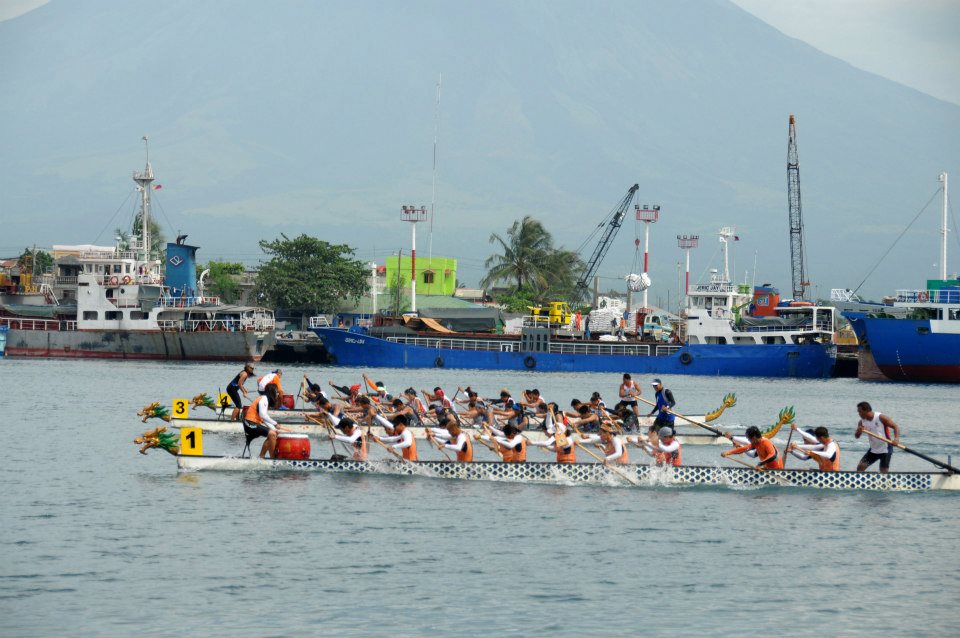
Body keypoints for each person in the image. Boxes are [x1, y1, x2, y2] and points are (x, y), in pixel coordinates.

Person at [242, 385, 291, 459]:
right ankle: (272, 458)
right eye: (276, 392)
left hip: (254, 424)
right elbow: (263, 415)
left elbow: (263, 419)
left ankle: (261, 457)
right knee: (272, 434)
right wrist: (276, 424)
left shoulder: (265, 399)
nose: (277, 394)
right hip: (250, 424)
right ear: (272, 392)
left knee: (272, 434)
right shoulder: (264, 399)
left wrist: (274, 429)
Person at [855, 401, 900, 473]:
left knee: (883, 472)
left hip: (885, 449)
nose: (859, 414)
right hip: (873, 449)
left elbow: (895, 427)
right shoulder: (861, 422)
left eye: (860, 412)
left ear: (866, 410)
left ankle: (886, 483)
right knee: (860, 467)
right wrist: (859, 431)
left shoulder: (881, 417)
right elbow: (857, 436)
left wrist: (896, 439)